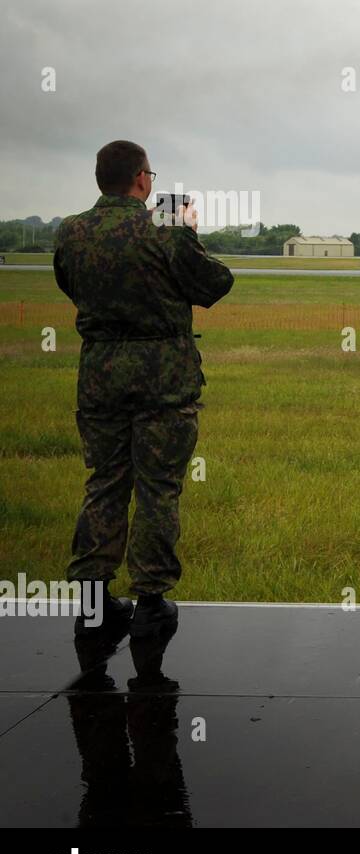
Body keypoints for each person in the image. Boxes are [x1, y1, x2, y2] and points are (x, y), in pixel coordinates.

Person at [54, 140, 233, 637]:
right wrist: (189, 232)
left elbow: (71, 285)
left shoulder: (72, 231)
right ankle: (151, 599)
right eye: (150, 175)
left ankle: (92, 599)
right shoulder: (165, 228)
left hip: (101, 376)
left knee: (105, 483)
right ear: (140, 179)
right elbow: (214, 285)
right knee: (158, 489)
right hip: (162, 380)